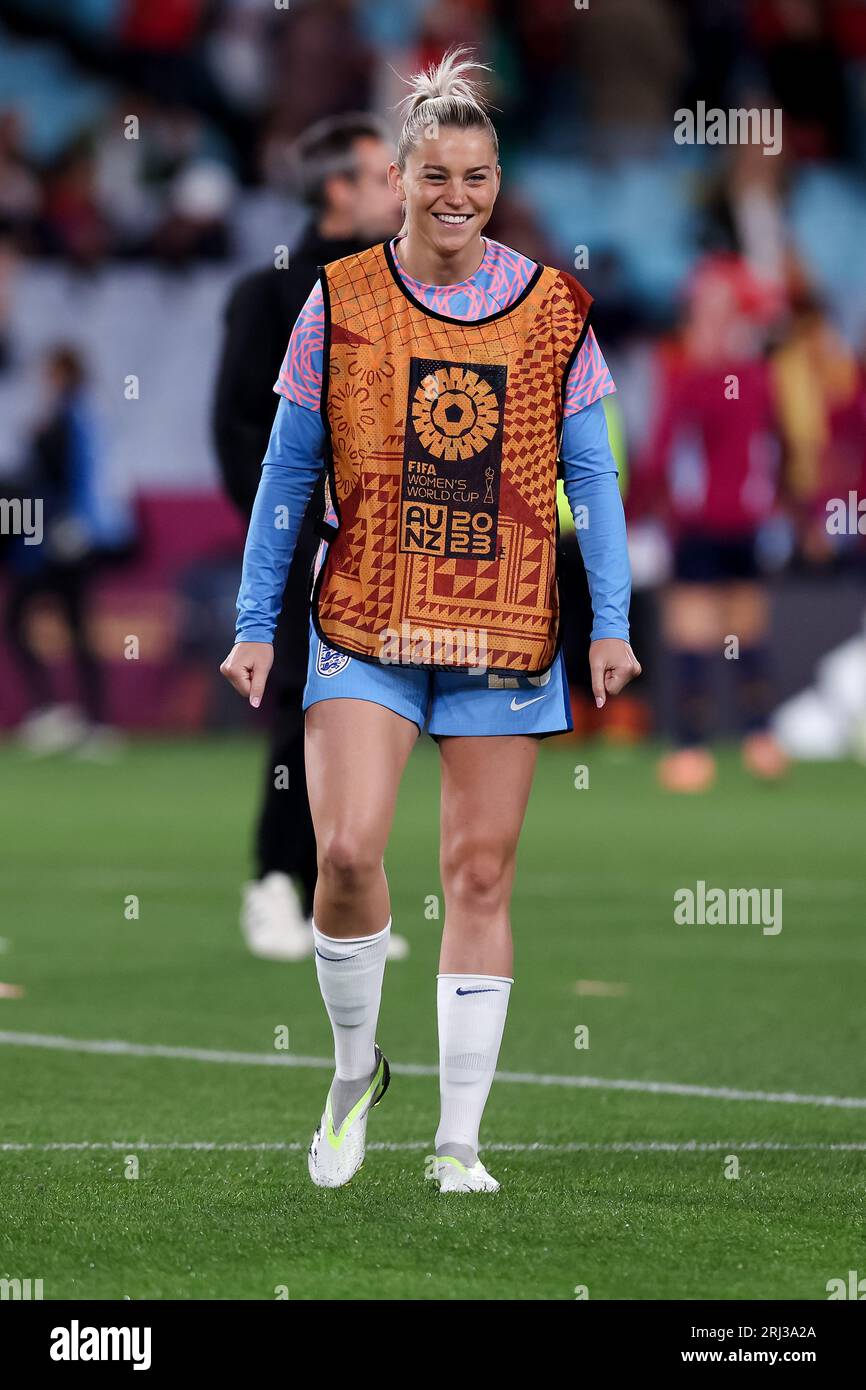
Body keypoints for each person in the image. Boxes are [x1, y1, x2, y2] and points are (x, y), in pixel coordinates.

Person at [220, 50, 640, 1193]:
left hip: (502, 634)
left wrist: (608, 620)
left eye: (476, 176)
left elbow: (593, 479)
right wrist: (259, 620)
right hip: (362, 621)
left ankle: (458, 1138)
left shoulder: (554, 311)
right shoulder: (336, 300)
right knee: (349, 851)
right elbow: (285, 472)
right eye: (433, 174)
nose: (455, 195)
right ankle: (355, 1069)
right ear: (397, 178)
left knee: (478, 874)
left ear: (495, 180)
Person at [213, 112, 407, 962]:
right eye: (382, 175)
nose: (402, 191)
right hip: (305, 541)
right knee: (302, 701)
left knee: (377, 705)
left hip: (392, 541)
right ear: (339, 190)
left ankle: (347, 893)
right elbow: (235, 429)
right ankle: (272, 881)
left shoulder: (404, 290)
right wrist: (289, 527)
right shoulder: (269, 294)